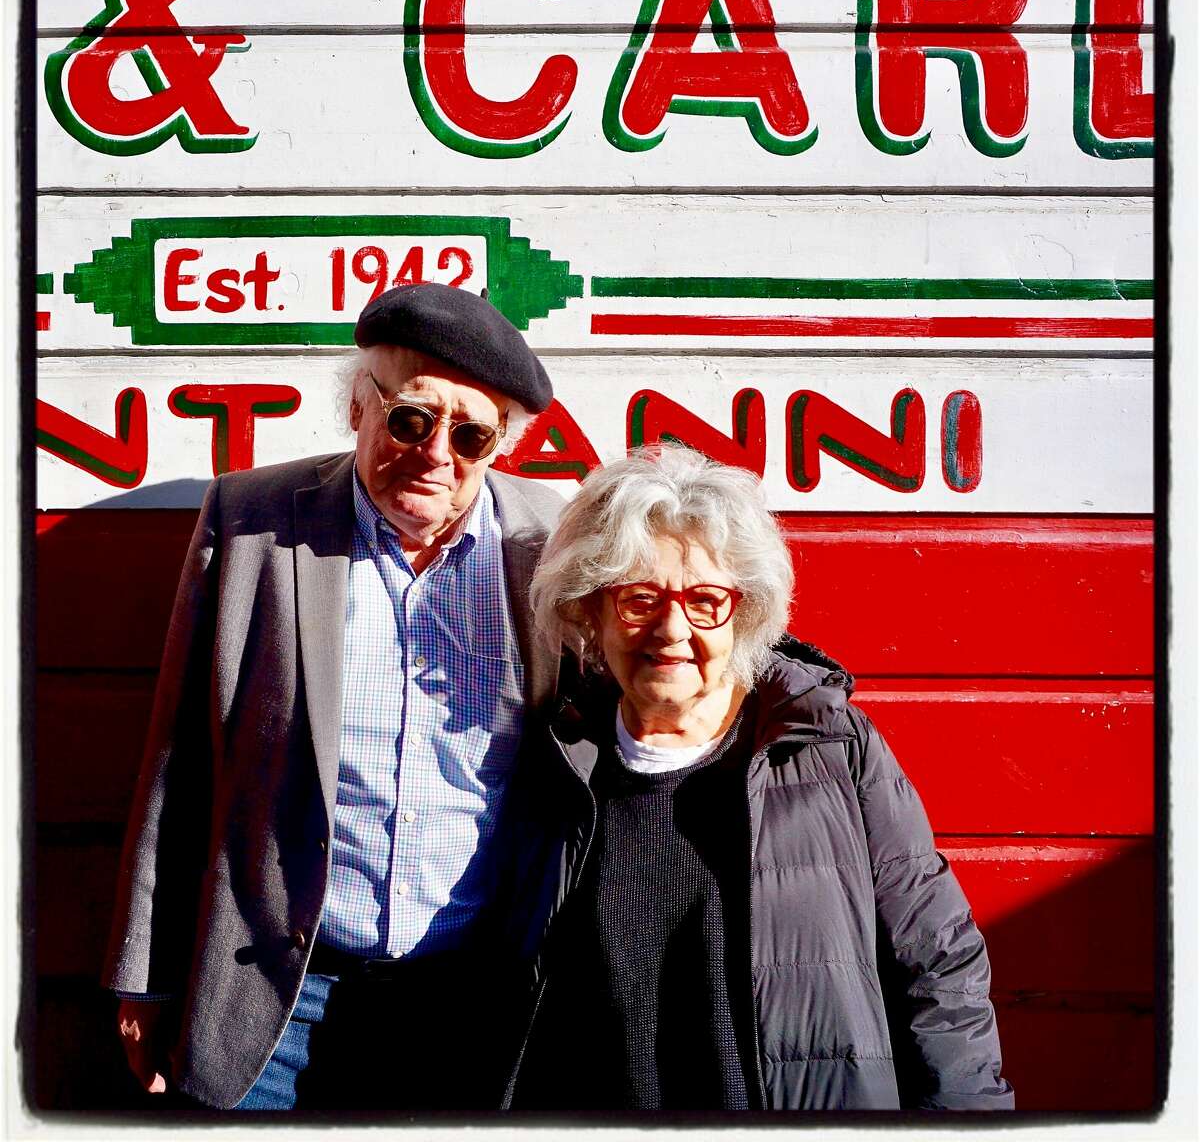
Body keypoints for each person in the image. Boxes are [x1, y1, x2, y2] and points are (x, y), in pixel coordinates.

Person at [103, 282, 565, 1110]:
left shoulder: (549, 537)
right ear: (359, 403)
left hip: (474, 999)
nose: (436, 454)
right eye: (413, 419)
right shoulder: (251, 519)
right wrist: (146, 968)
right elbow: (180, 755)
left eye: (472, 435)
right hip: (277, 995)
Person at [503, 446, 1014, 1111]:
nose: (671, 628)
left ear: (744, 612)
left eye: (706, 599)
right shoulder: (563, 760)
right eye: (638, 599)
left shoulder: (825, 745)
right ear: (592, 608)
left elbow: (938, 964)